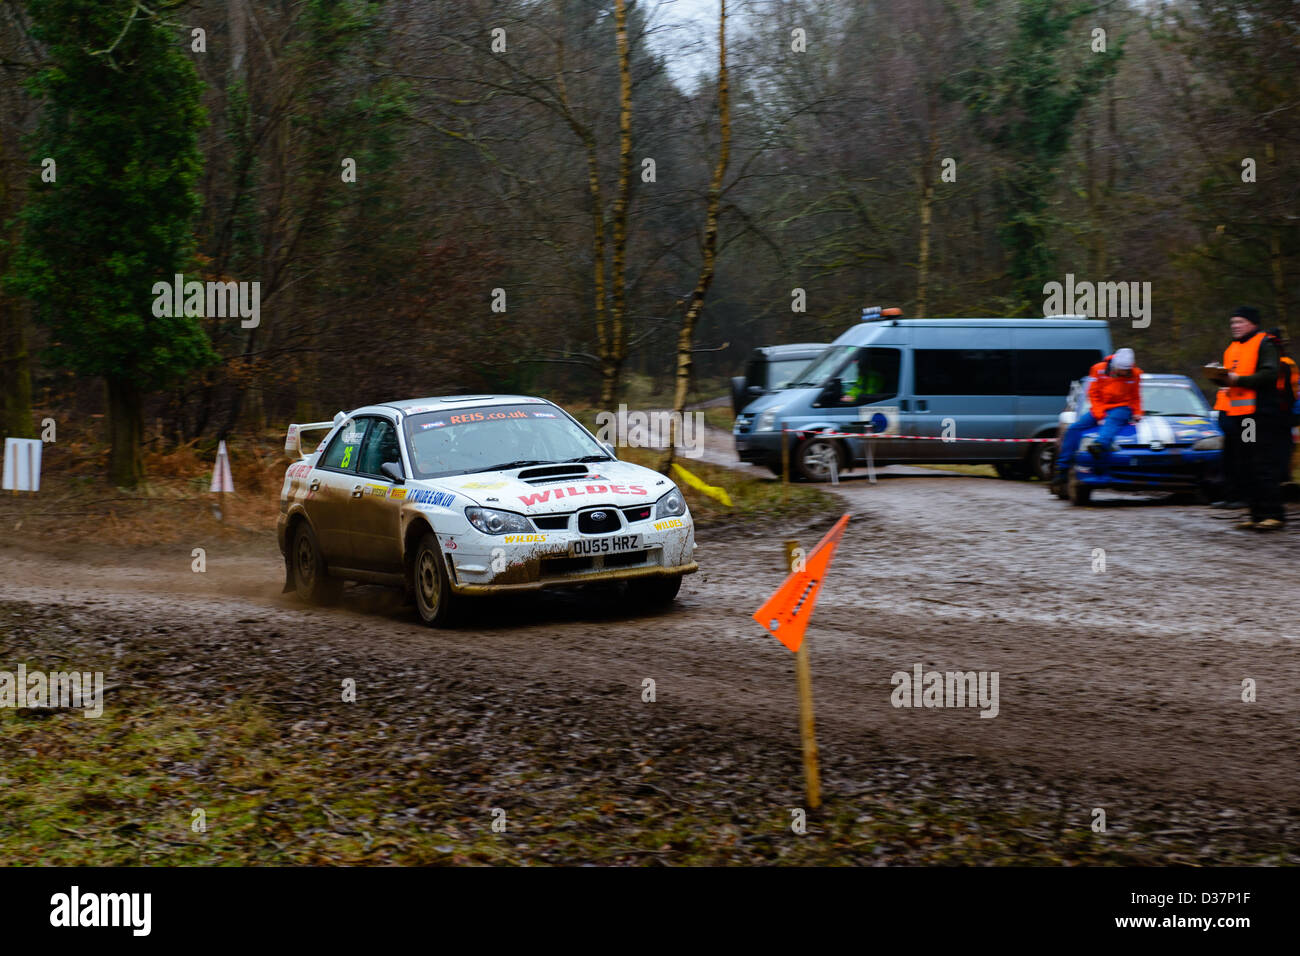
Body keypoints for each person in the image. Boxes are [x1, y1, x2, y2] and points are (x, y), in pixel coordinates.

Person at [1210, 307, 1286, 530]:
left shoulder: (1265, 343)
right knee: (1248, 464)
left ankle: (1274, 514)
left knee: (1262, 464)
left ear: (1253, 323)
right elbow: (1232, 380)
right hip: (1242, 416)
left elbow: (1270, 374)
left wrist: (1237, 379)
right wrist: (1219, 376)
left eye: (1240, 322)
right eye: (1233, 322)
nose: (1235, 326)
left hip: (1259, 414)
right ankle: (1256, 514)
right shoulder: (1232, 348)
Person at [1052, 347, 1143, 491]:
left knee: (1111, 422)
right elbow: (1093, 395)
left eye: (1128, 370)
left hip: (1122, 408)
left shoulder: (1135, 374)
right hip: (1100, 407)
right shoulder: (1098, 370)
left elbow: (1136, 396)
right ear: (1116, 366)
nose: (1126, 373)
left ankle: (1099, 446)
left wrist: (1138, 412)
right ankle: (1062, 469)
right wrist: (1100, 415)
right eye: (1123, 370)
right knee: (1074, 429)